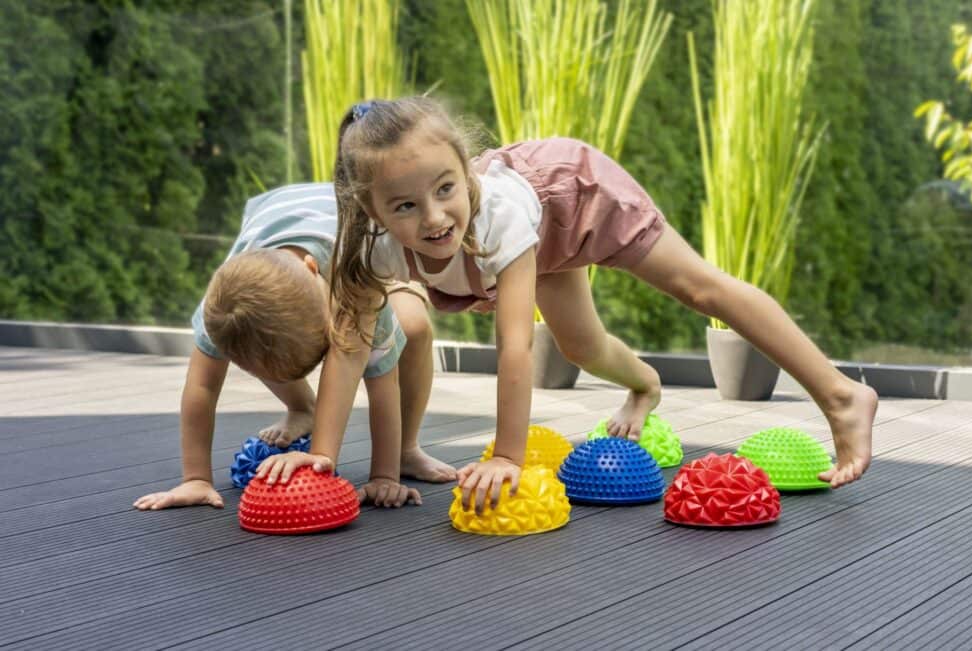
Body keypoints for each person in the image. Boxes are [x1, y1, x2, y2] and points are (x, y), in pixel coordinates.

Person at [258, 96, 878, 514]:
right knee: (581, 346)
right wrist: (323, 456)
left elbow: (515, 345)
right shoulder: (371, 249)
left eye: (446, 189)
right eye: (405, 206)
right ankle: (645, 385)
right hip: (534, 236)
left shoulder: (496, 214)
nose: (435, 216)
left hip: (576, 195)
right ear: (371, 211)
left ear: (465, 173)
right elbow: (349, 349)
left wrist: (508, 456)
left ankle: (841, 395)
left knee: (698, 287)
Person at [132, 183, 454, 512]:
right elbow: (202, 386)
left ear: (313, 269)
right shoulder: (226, 307)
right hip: (276, 220)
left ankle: (405, 450)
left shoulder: (358, 282)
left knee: (413, 328)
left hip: (374, 236)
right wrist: (196, 478)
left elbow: (383, 383)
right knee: (261, 345)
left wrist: (384, 476)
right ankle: (304, 409)